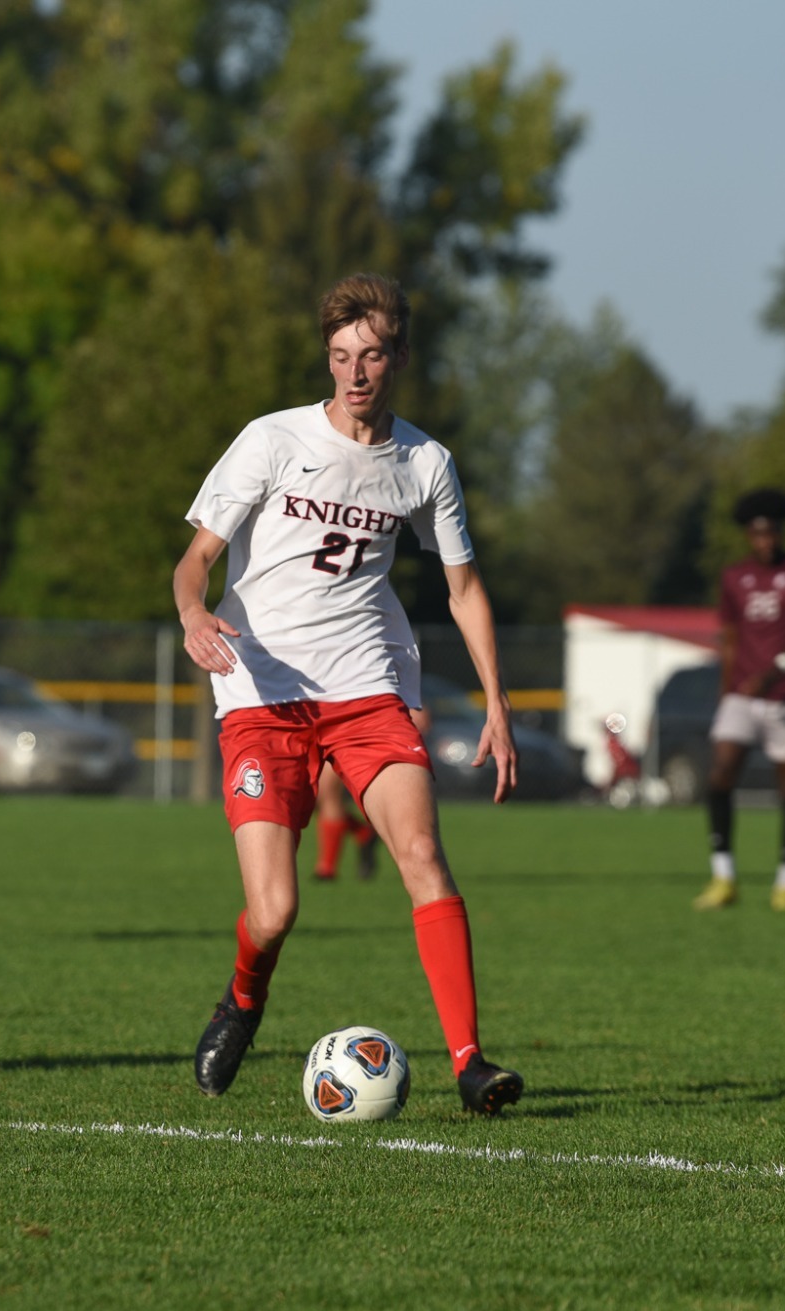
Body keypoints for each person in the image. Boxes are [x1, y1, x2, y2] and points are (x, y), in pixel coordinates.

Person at [173, 272, 525, 1115]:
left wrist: (497, 705)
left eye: (371, 355)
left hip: (368, 689)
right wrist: (192, 611)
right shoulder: (271, 439)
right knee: (278, 907)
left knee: (423, 857)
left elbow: (464, 590)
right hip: (260, 693)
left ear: (398, 355)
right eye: (340, 356)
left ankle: (471, 1063)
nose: (355, 372)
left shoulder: (425, 464)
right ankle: (244, 999)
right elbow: (196, 559)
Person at [695, 488, 785, 913]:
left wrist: (770, 676)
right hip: (741, 696)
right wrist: (726, 692)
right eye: (757, 534)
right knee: (719, 776)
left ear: (781, 533)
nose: (765, 541)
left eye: (772, 533)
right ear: (748, 536)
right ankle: (723, 876)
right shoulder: (734, 577)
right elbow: (731, 639)